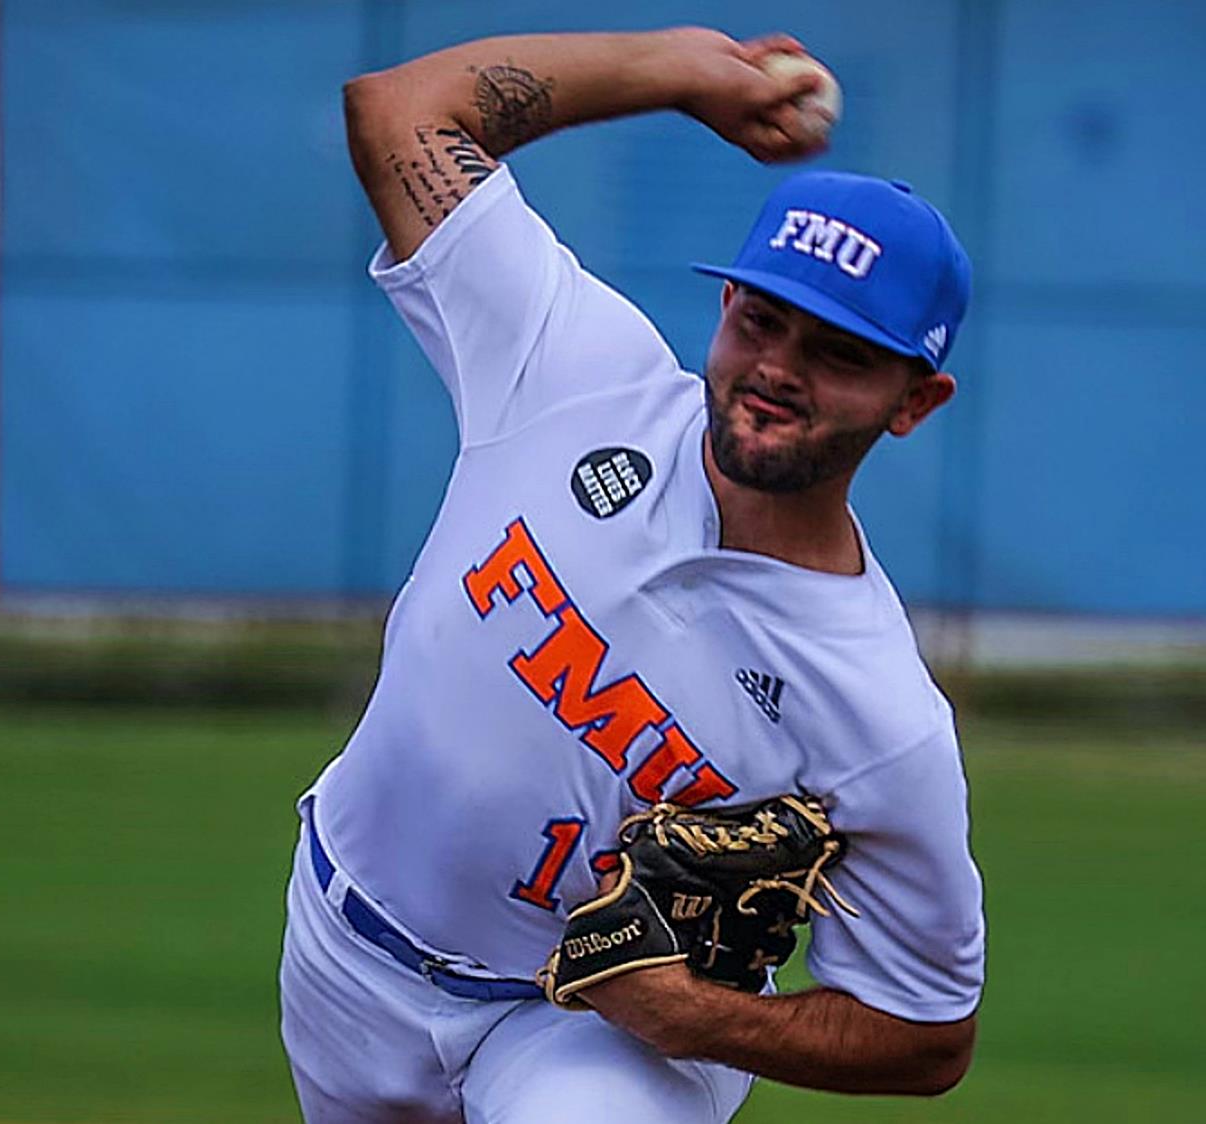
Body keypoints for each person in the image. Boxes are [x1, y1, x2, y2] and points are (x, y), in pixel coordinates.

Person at [280, 26, 984, 1122]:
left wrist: (691, 1016)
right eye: (763, 320)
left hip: (589, 1034)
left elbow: (926, 1030)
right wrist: (674, 70)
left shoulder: (877, 709)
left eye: (838, 353)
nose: (776, 372)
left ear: (912, 402)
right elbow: (398, 113)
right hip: (340, 945)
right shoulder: (578, 375)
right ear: (723, 310)